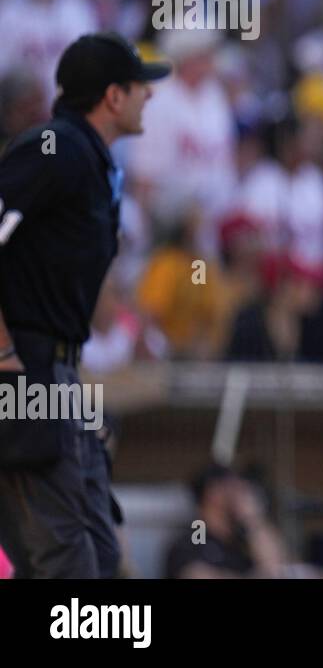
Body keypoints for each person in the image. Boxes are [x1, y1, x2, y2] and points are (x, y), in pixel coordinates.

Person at [0, 32, 169, 577]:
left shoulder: (91, 161)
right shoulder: (55, 149)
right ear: (112, 97)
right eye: (139, 86)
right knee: (63, 553)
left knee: (98, 546)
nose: (150, 96)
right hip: (25, 373)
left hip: (57, 372)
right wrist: (3, 352)